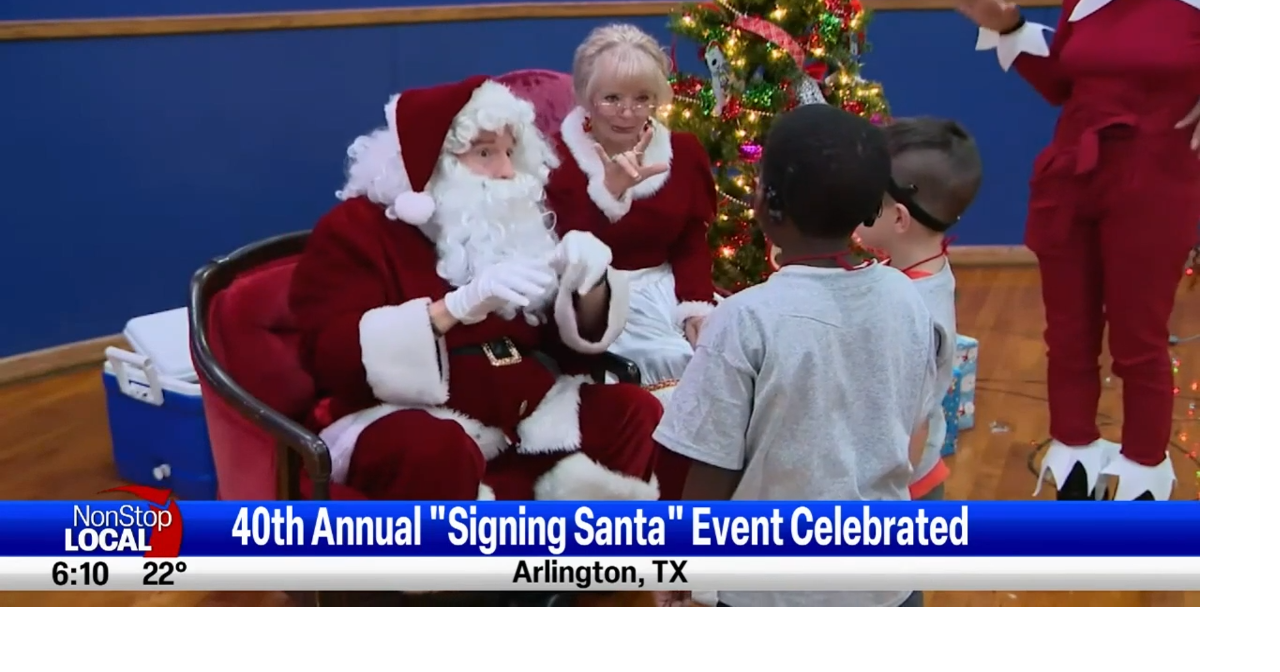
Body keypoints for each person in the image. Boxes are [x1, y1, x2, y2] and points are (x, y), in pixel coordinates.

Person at [288, 75, 664, 503]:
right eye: (485, 152)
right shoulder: (356, 231)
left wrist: (587, 285)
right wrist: (450, 310)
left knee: (635, 412)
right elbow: (333, 361)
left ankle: (591, 557)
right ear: (429, 164)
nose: (506, 171)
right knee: (435, 448)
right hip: (405, 417)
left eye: (509, 152)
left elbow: (564, 351)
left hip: (529, 417)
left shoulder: (511, 224)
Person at [653, 104, 954, 607]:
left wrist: (684, 570)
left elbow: (708, 463)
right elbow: (913, 420)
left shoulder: (746, 318)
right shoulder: (907, 299)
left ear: (770, 204)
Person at [959, 0, 1198, 501]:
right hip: (1073, 180)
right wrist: (1011, 29)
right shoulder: (1087, 3)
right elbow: (1063, 86)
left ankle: (1142, 472)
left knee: (1140, 339)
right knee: (1068, 333)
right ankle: (1074, 457)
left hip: (1157, 184)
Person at [545, 24, 719, 409]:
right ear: (586, 99)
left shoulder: (684, 153)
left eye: (642, 99)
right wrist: (609, 193)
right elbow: (568, 257)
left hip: (670, 292)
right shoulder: (556, 161)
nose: (627, 113)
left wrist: (696, 308)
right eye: (611, 98)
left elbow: (691, 243)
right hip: (595, 303)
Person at [855, 117, 984, 502]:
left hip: (900, 490)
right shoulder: (926, 270)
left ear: (898, 218)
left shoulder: (910, 312)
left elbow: (908, 423)